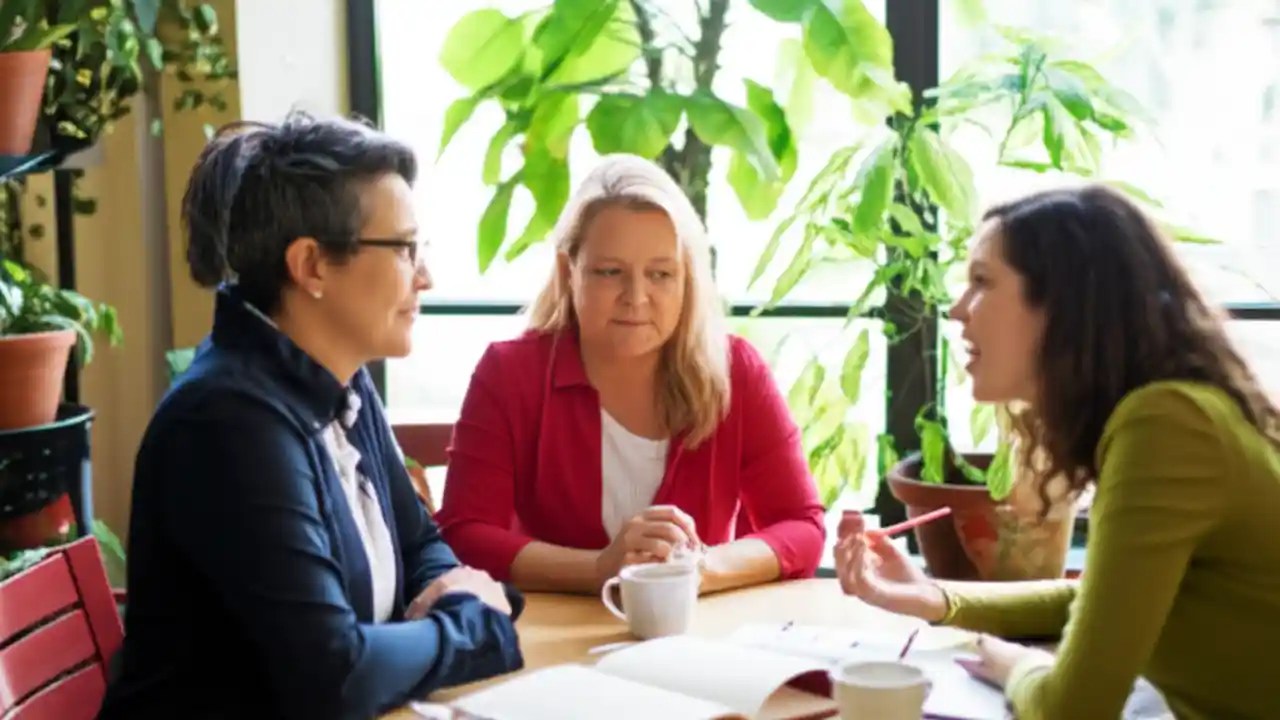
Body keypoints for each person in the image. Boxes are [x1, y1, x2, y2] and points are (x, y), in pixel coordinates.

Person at [99, 112, 524, 720]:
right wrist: (473, 626)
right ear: (312, 266)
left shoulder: (340, 378)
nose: (425, 276)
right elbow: (333, 674)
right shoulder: (227, 424)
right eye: (405, 249)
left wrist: (451, 600)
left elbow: (421, 542)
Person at [834, 185, 1280, 719]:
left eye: (981, 282)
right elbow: (1108, 604)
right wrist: (935, 598)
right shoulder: (1179, 412)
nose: (956, 310)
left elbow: (1073, 710)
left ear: (1063, 306)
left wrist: (1014, 666)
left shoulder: (1167, 425)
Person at [434, 154, 826, 595]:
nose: (636, 297)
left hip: (696, 636)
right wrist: (600, 569)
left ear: (688, 279)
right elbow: (464, 534)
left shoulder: (736, 372)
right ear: (569, 274)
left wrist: (702, 568)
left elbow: (802, 528)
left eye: (660, 274)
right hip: (553, 638)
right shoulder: (510, 374)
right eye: (610, 273)